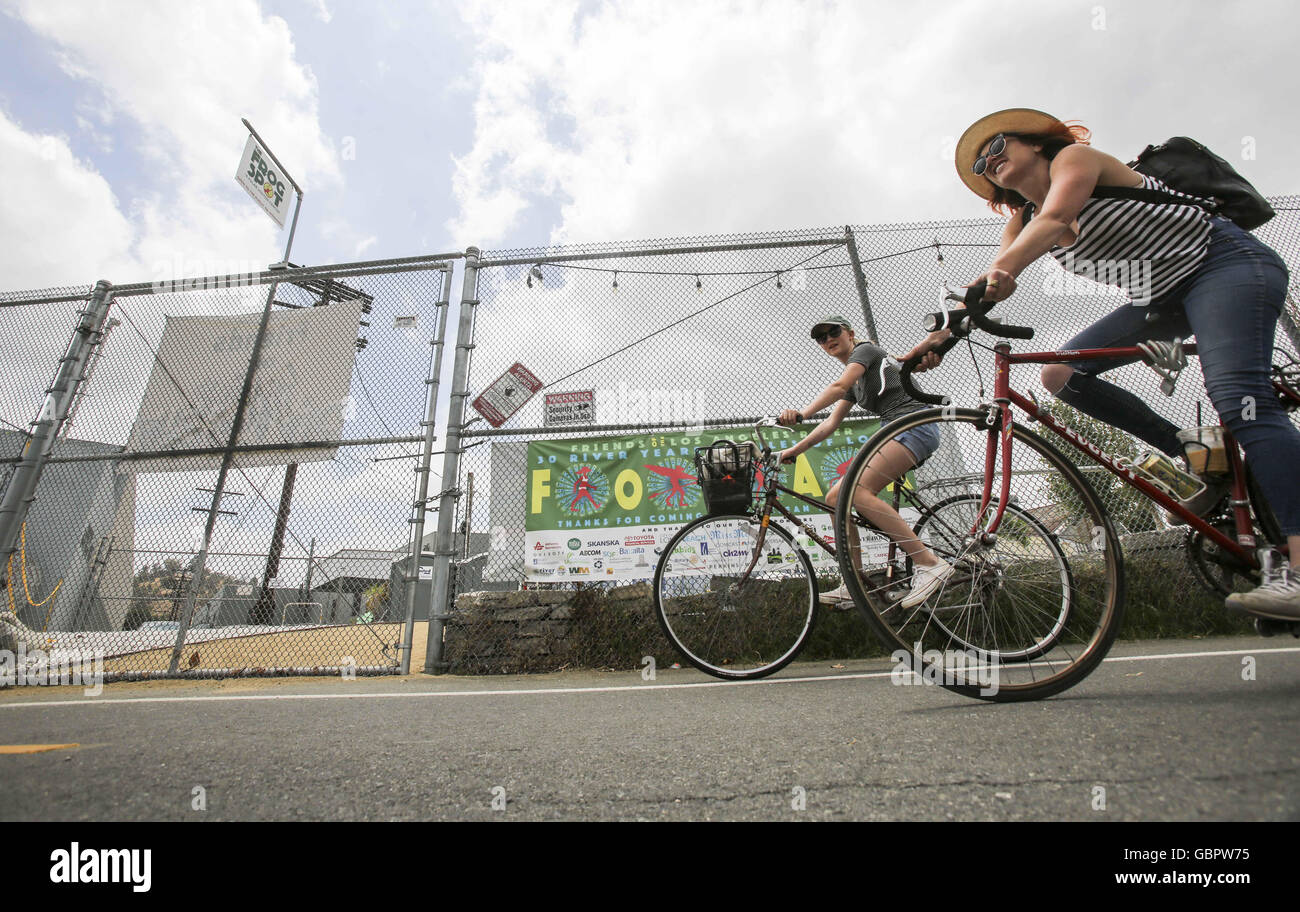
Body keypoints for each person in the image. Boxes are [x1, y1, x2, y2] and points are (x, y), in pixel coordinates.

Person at [901, 108, 1300, 621]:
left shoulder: (1076, 158)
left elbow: (1057, 220)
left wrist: (1002, 271)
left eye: (998, 145)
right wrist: (943, 336)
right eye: (981, 163)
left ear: (1037, 143)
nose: (990, 161)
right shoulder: (1022, 220)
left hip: (1222, 262)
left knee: (1240, 400)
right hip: (1160, 299)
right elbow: (995, 280)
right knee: (1059, 374)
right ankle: (1203, 458)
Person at [777, 315, 952, 609]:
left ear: (850, 333)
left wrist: (802, 413)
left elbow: (836, 385)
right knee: (836, 498)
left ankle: (929, 562)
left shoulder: (866, 351)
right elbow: (830, 424)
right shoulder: (854, 382)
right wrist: (793, 450)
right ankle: (853, 582)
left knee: (856, 492)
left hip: (914, 425)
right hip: (893, 430)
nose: (828, 339)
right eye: (821, 338)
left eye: (834, 332)